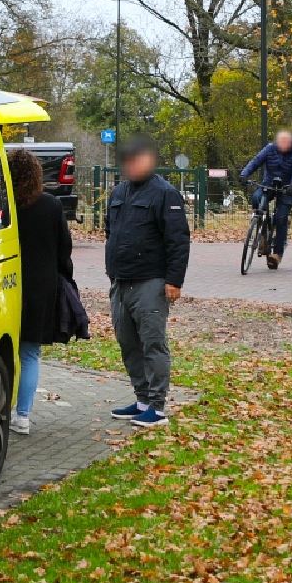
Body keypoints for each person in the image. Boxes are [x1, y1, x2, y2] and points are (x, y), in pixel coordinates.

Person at [105, 138, 191, 427]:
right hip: (121, 282)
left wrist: (174, 280)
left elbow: (178, 240)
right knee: (128, 343)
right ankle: (141, 399)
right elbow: (110, 231)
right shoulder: (119, 192)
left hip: (150, 282)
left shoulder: (165, 194)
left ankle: (157, 405)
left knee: (152, 343)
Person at [7, 149, 75, 436]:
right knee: (30, 353)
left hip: (4, 283)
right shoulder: (50, 205)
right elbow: (64, 248)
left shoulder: (3, 206)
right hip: (39, 287)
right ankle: (23, 415)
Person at [240, 129, 292, 269]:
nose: (283, 144)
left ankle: (276, 254)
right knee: (257, 198)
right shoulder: (269, 149)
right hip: (268, 184)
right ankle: (262, 233)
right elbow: (255, 161)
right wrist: (244, 174)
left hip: (287, 187)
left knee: (281, 219)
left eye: (286, 142)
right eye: (280, 141)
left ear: (290, 142)